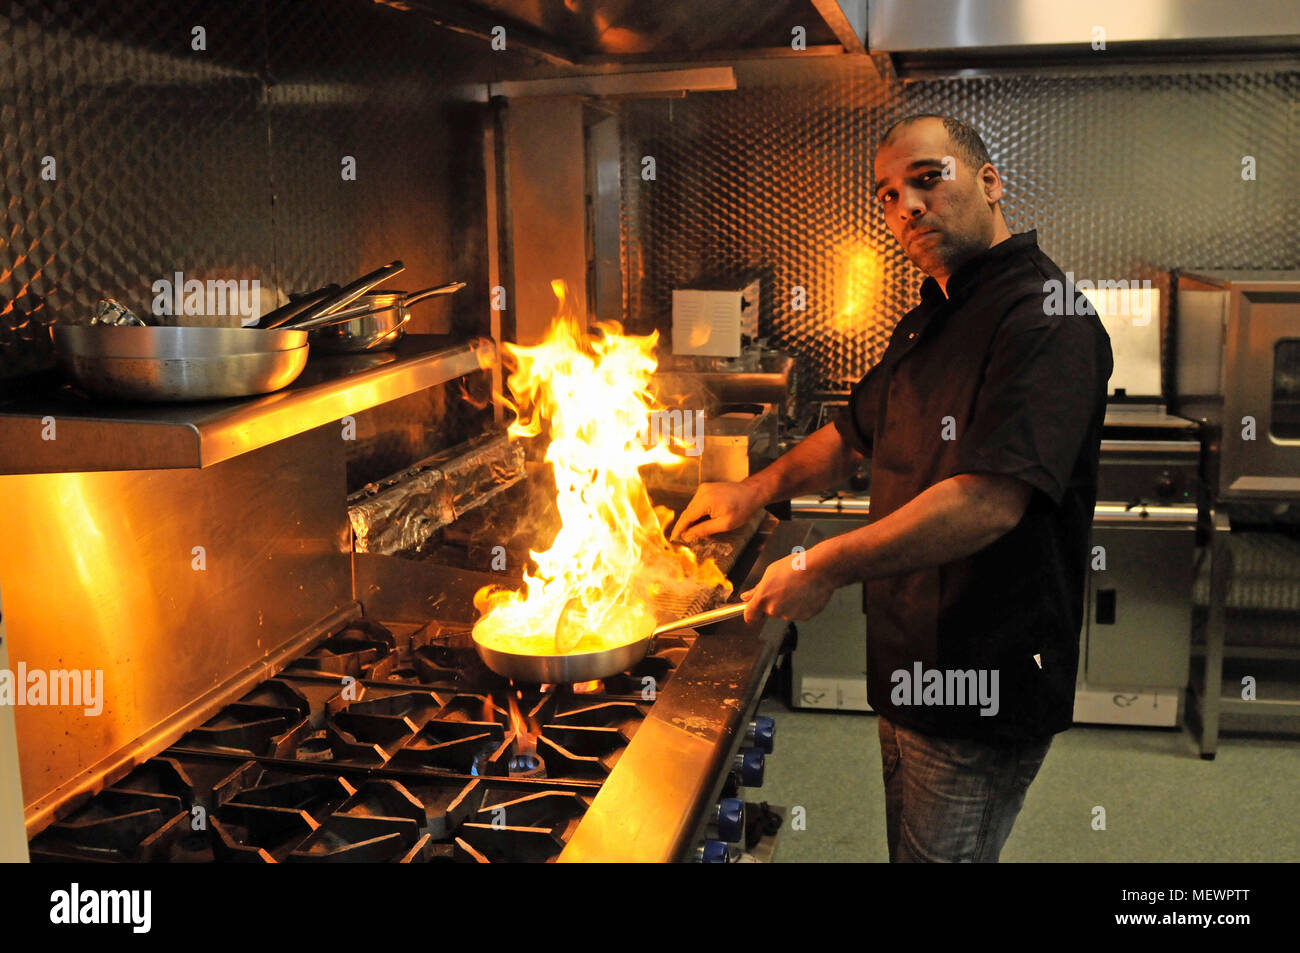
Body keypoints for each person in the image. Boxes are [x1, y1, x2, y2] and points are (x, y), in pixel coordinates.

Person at [670, 114, 1113, 862]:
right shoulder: (934, 315)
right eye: (887, 193)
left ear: (990, 182)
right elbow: (853, 433)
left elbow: (988, 500)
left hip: (981, 685)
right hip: (911, 668)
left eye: (927, 178)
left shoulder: (1044, 318)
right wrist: (754, 488)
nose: (906, 204)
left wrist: (825, 564)